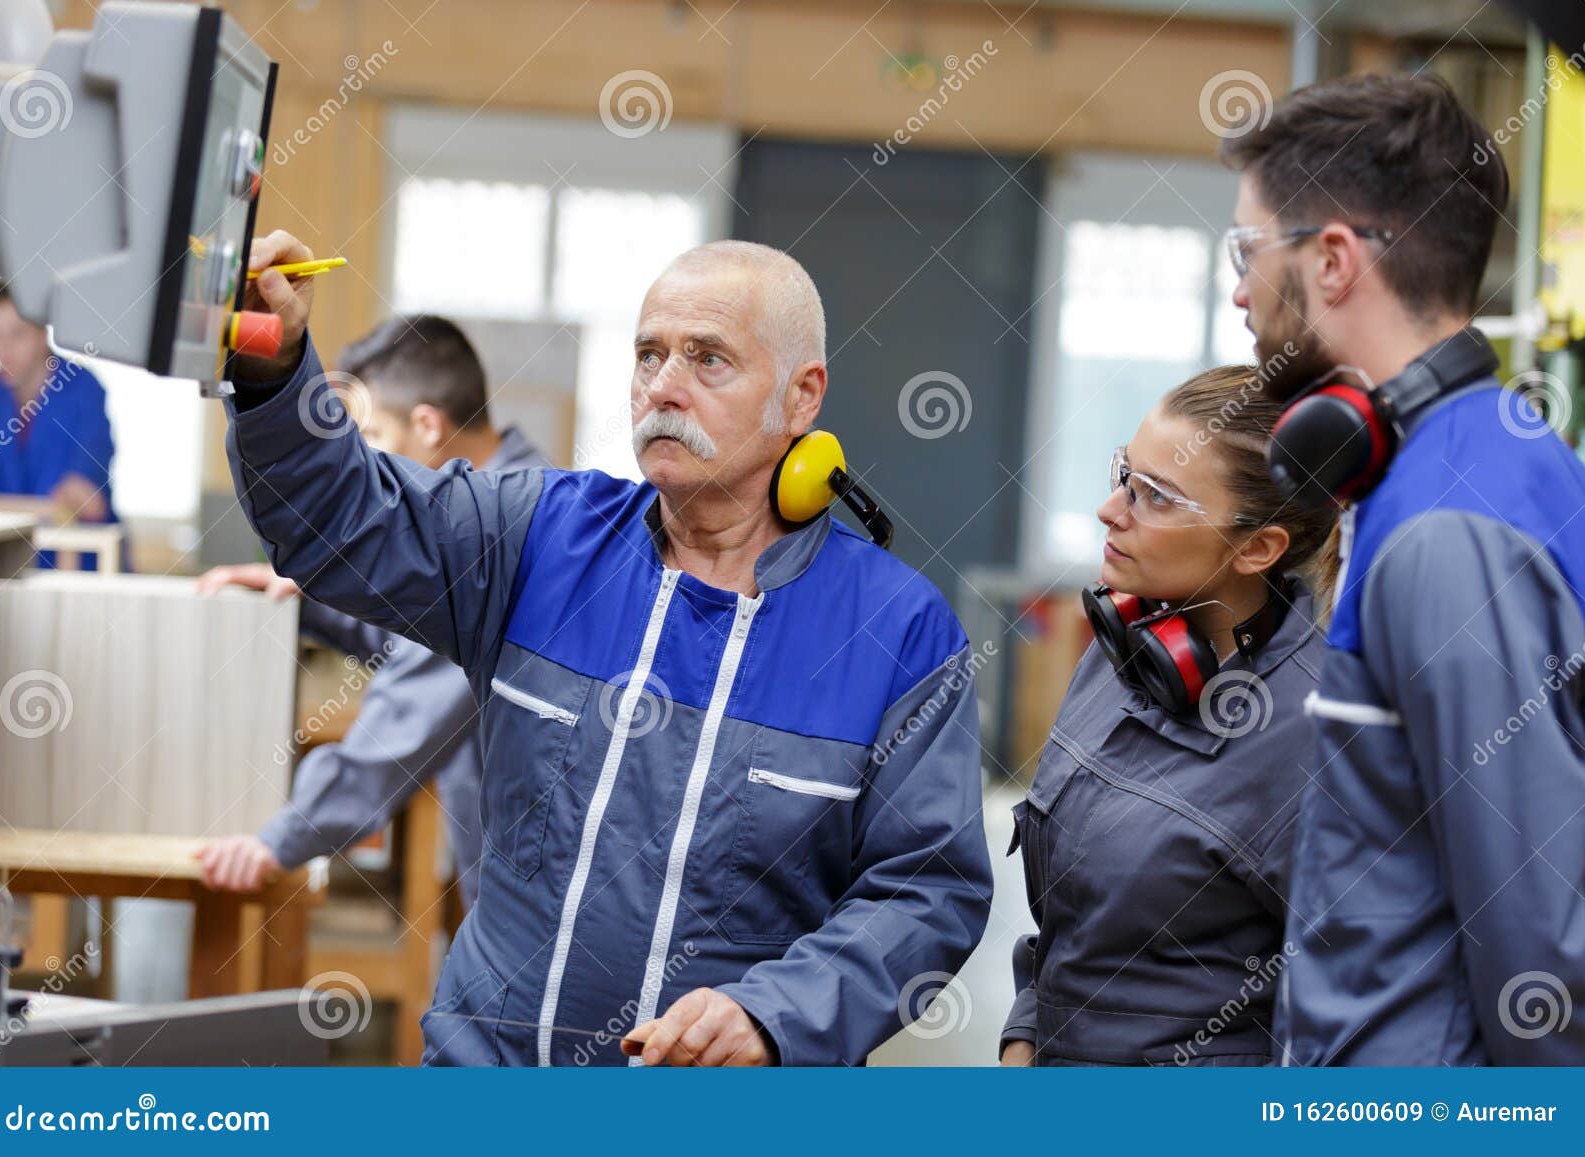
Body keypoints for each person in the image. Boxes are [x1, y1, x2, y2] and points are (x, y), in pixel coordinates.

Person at [221, 230, 993, 1067]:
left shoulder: (897, 631)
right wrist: (272, 363)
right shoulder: (538, 537)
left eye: (707, 359)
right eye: (648, 355)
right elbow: (340, 520)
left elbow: (926, 886)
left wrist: (777, 1016)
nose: (663, 387)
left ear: (802, 397)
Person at [1221, 73, 1585, 1063]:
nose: (1236, 287)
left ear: (1333, 259)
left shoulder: (1444, 527)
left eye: (1247, 250)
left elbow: (1537, 948)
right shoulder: (1478, 461)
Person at [999, 366, 1335, 1066]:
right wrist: (1024, 1036)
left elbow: (1350, 1014)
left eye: (1156, 496)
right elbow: (1071, 934)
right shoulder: (1122, 652)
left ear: (1258, 548)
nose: (1110, 509)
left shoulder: (1317, 734)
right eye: (1126, 472)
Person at [192, 315, 545, 909]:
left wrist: (281, 838)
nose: (366, 465)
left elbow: (404, 716)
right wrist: (309, 600)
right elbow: (427, 632)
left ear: (428, 426)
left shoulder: (503, 535)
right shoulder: (516, 491)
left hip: (535, 895)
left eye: (374, 437)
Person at [0, 278, 118, 550]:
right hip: (10, 560)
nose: (4, 348)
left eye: (17, 333)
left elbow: (85, 498)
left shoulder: (83, 389)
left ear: (42, 331)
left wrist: (74, 494)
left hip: (77, 559)